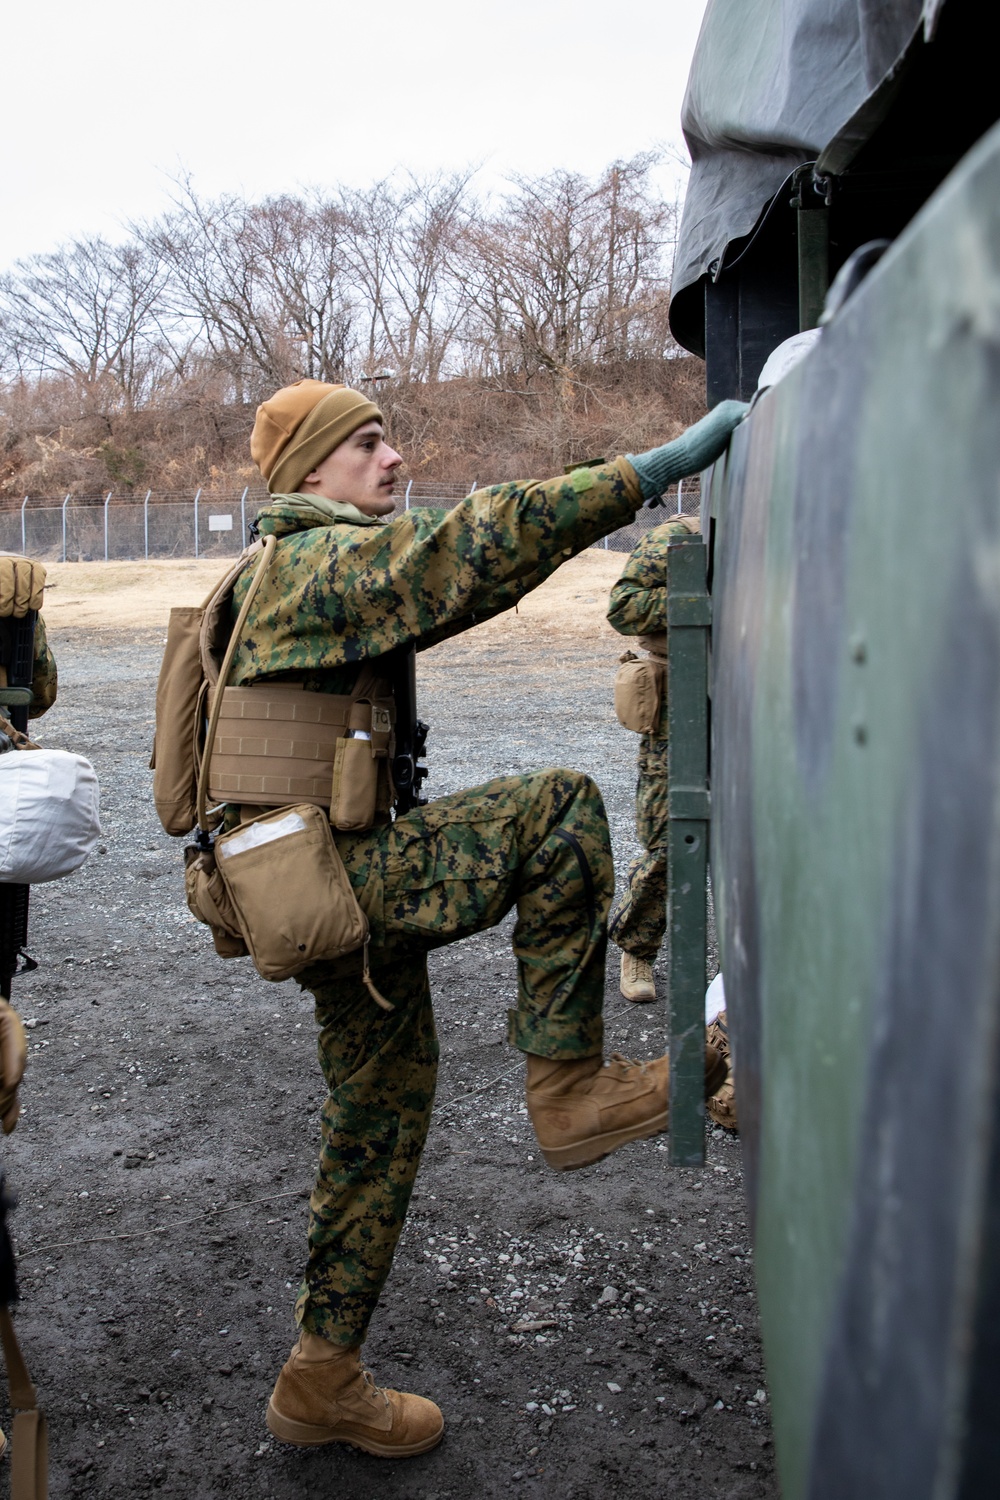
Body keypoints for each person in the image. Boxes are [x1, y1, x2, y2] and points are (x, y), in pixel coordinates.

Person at [216, 381, 746, 1457]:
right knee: (557, 811)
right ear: (310, 473)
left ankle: (320, 1378)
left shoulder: (295, 564)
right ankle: (572, 1094)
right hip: (335, 879)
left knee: (377, 1118)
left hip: (316, 883)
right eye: (366, 445)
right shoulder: (314, 563)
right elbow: (474, 549)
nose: (393, 458)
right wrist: (647, 472)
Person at [606, 523, 738, 1127]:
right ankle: (636, 946)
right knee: (669, 842)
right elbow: (624, 605)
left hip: (742, 694)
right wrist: (702, 603)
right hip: (678, 699)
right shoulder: (676, 535)